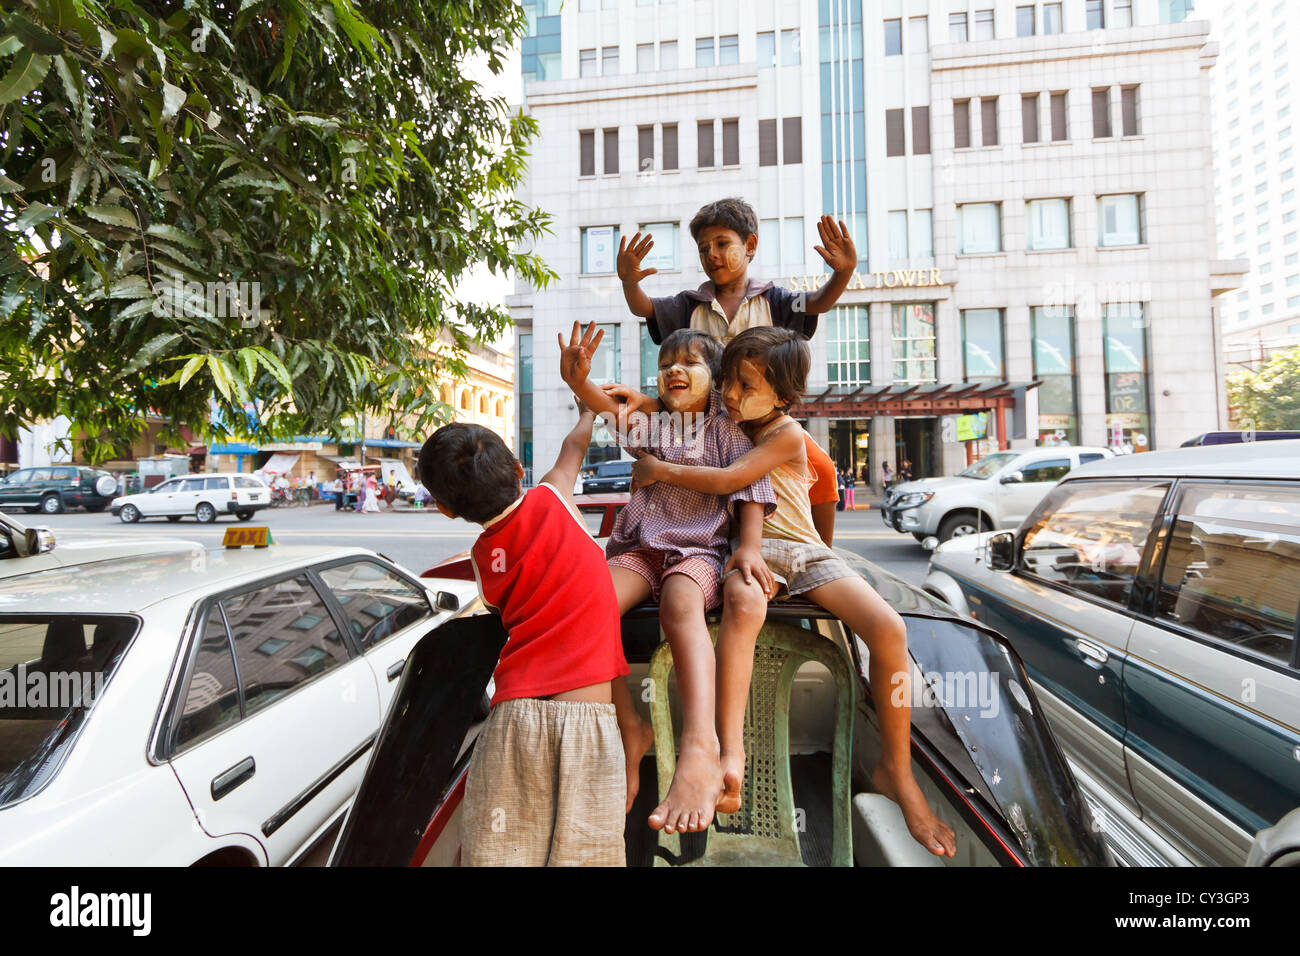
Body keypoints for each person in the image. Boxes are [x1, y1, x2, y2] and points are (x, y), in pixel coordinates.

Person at [629, 327, 957, 858]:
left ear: (782, 396)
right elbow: (668, 399)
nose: (732, 395)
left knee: (889, 628)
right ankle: (728, 754)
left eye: (746, 386)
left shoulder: (784, 433)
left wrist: (661, 470)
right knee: (741, 603)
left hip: (801, 550)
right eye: (729, 382)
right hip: (750, 552)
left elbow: (736, 478)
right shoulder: (723, 418)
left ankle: (896, 766)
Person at [560, 322, 777, 835]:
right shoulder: (655, 430)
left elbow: (751, 491)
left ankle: (700, 744)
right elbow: (611, 408)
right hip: (641, 550)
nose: (674, 369)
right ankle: (627, 722)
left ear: (718, 379)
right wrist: (578, 383)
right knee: (589, 603)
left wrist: (748, 548)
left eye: (689, 362)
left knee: (682, 604)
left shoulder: (727, 430)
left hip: (698, 551)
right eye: (664, 365)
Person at [417, 414, 630, 866]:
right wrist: (587, 406)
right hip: (584, 719)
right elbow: (574, 445)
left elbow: (501, 611)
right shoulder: (553, 498)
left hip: (511, 719)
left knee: (501, 853)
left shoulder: (480, 558)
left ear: (446, 510)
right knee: (585, 854)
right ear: (518, 468)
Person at [616, 197, 851, 546]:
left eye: (723, 243)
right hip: (707, 423)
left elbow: (818, 301)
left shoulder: (777, 300)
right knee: (678, 473)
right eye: (703, 248)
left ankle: (823, 552)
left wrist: (843, 272)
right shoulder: (687, 304)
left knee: (824, 470)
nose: (711, 253)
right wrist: (629, 282)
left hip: (760, 422)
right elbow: (645, 307)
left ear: (750, 245)